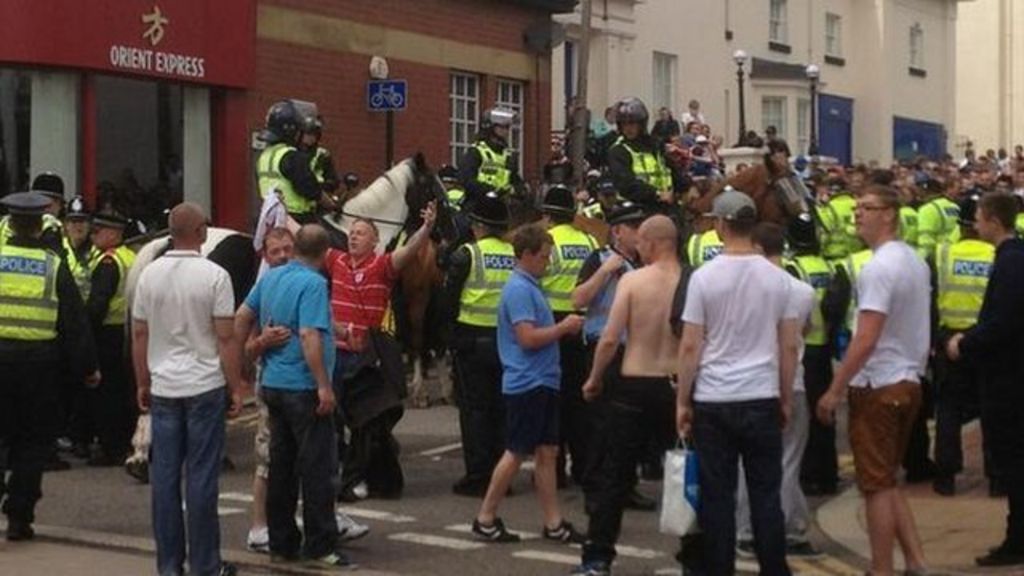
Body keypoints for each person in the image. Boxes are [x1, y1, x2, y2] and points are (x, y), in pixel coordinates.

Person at [676, 189, 798, 576]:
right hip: (761, 394)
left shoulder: (704, 278)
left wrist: (683, 400)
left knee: (718, 497)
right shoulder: (778, 278)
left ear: (722, 225)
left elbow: (691, 344)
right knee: (766, 495)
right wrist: (783, 396)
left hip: (714, 399)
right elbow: (789, 345)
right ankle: (774, 569)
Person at [817, 186, 931, 576]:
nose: (857, 214)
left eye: (868, 208)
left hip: (879, 385)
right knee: (888, 479)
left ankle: (881, 569)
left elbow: (866, 337)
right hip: (908, 381)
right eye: (857, 207)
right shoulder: (913, 260)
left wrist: (834, 390)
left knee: (875, 487)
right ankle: (915, 562)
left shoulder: (879, 268)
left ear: (890, 215)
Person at [131, 202, 242, 576]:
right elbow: (226, 339)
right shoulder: (215, 276)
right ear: (200, 232)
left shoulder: (148, 275)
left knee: (163, 479)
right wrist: (235, 386)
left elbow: (140, 334)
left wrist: (142, 382)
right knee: (201, 478)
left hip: (164, 387)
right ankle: (206, 565)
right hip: (205, 386)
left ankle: (168, 566)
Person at [235, 224, 353, 569]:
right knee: (318, 468)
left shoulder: (271, 278)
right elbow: (308, 334)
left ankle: (282, 542)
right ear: (326, 254)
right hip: (302, 387)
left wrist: (247, 354)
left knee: (281, 467)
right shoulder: (314, 283)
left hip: (272, 384)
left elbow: (242, 316)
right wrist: (323, 385)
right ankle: (320, 546)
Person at [572, 214, 680, 576]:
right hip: (672, 383)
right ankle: (696, 558)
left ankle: (597, 559)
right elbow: (696, 342)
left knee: (613, 477)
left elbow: (608, 338)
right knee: (684, 472)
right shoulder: (691, 280)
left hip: (632, 383)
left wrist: (594, 378)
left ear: (651, 243)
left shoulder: (633, 281)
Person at [470, 224, 585, 545]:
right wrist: (564, 327)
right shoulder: (520, 289)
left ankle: (553, 522)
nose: (548, 262)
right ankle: (486, 517)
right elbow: (527, 338)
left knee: (547, 452)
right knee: (518, 451)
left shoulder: (530, 286)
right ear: (528, 255)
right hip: (528, 382)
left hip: (541, 380)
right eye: (545, 256)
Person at [0, 192, 98, 541]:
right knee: (32, 442)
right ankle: (19, 518)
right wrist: (88, 367)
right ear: (41, 226)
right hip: (38, 367)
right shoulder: (53, 264)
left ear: (10, 224)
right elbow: (74, 322)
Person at [326, 202, 437, 500]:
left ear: (375, 241)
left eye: (361, 233)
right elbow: (304, 237)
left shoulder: (381, 266)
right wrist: (279, 211)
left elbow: (410, 251)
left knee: (367, 423)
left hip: (366, 357)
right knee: (335, 419)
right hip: (336, 354)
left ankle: (354, 481)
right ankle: (367, 478)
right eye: (352, 232)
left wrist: (426, 229)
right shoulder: (335, 261)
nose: (353, 237)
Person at [946, 192, 1024, 567]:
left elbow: (1004, 321)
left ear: (993, 219)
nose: (974, 223)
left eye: (978, 216)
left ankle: (1018, 539)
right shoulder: (1010, 258)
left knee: (1013, 461)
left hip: (1008, 379)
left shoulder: (1011, 262)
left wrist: (966, 342)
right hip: (1007, 374)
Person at [735, 223, 819, 558]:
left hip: (752, 383)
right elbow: (806, 329)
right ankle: (789, 530)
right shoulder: (802, 290)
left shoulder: (743, 290)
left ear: (756, 249)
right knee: (787, 460)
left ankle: (745, 531)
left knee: (747, 460)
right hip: (793, 383)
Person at [572, 201, 654, 510]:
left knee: (630, 425)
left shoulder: (643, 264)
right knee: (600, 425)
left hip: (634, 352)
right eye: (634, 227)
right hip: (602, 351)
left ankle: (625, 486)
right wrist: (605, 272)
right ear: (617, 231)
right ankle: (595, 489)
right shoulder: (599, 258)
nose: (639, 232)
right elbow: (578, 299)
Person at [444, 193, 514, 497]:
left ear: (479, 226)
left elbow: (448, 301)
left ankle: (478, 476)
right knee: (501, 409)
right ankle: (502, 477)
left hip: (472, 342)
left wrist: (447, 338)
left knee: (474, 412)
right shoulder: (514, 253)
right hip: (507, 342)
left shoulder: (467, 254)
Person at [930, 194, 993, 497]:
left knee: (949, 410)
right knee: (991, 409)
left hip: (949, 338)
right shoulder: (997, 255)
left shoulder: (943, 254)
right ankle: (996, 474)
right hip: (986, 339)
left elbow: (931, 300)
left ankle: (945, 476)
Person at [539, 185, 599, 487]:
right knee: (581, 401)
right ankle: (584, 466)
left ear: (548, 216)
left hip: (553, 325)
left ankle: (557, 467)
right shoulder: (589, 240)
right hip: (584, 324)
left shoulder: (546, 242)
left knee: (555, 398)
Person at [788, 219, 844, 497]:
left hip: (803, 348)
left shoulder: (793, 269)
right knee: (824, 414)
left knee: (805, 416)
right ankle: (828, 473)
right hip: (823, 348)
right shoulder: (828, 267)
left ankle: (809, 475)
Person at [83, 210, 136, 466]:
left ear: (114, 234)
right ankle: (123, 441)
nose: (93, 235)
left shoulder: (108, 262)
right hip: (125, 331)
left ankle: (110, 447)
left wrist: (84, 331)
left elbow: (98, 303)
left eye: (98, 231)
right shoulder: (130, 257)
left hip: (106, 333)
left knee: (106, 393)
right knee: (122, 388)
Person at [256, 100, 334, 224]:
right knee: (323, 239)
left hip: (267, 219)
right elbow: (311, 190)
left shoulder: (264, 156)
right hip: (295, 220)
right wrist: (332, 206)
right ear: (291, 131)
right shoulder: (293, 156)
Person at [607, 98, 677, 210]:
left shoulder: (656, 145)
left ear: (641, 124)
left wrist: (688, 186)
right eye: (624, 124)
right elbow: (626, 184)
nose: (628, 128)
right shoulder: (618, 151)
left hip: (663, 205)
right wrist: (656, 194)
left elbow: (672, 171)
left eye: (632, 123)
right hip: (632, 209)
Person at [458, 108, 524, 202]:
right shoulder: (476, 151)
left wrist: (519, 189)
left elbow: (514, 178)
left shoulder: (508, 156)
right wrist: (490, 190)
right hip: (477, 205)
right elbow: (465, 179)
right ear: (490, 127)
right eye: (501, 127)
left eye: (507, 127)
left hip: (501, 207)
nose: (506, 131)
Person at [916, 177, 960, 262]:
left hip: (935, 258)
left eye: (921, 192)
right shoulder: (955, 207)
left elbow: (926, 243)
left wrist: (920, 262)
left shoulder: (927, 209)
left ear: (927, 192)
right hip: (954, 255)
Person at [300, 114, 340, 198]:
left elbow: (334, 181)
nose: (310, 138)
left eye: (314, 135)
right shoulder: (293, 152)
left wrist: (323, 186)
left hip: (318, 198)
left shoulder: (323, 155)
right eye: (307, 134)